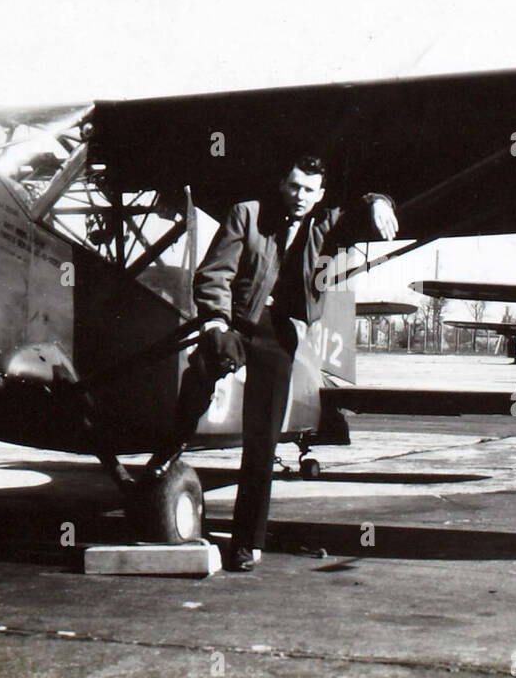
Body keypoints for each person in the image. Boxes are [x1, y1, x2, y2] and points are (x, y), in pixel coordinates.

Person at [152, 155, 397, 571]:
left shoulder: (327, 222)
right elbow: (215, 274)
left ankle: (248, 542)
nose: (301, 197)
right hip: (237, 320)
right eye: (295, 187)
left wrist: (379, 202)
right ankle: (166, 452)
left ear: (321, 194)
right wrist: (216, 324)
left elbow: (359, 215)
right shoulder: (246, 215)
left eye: (310, 190)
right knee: (202, 371)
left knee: (262, 440)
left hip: (278, 332)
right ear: (282, 185)